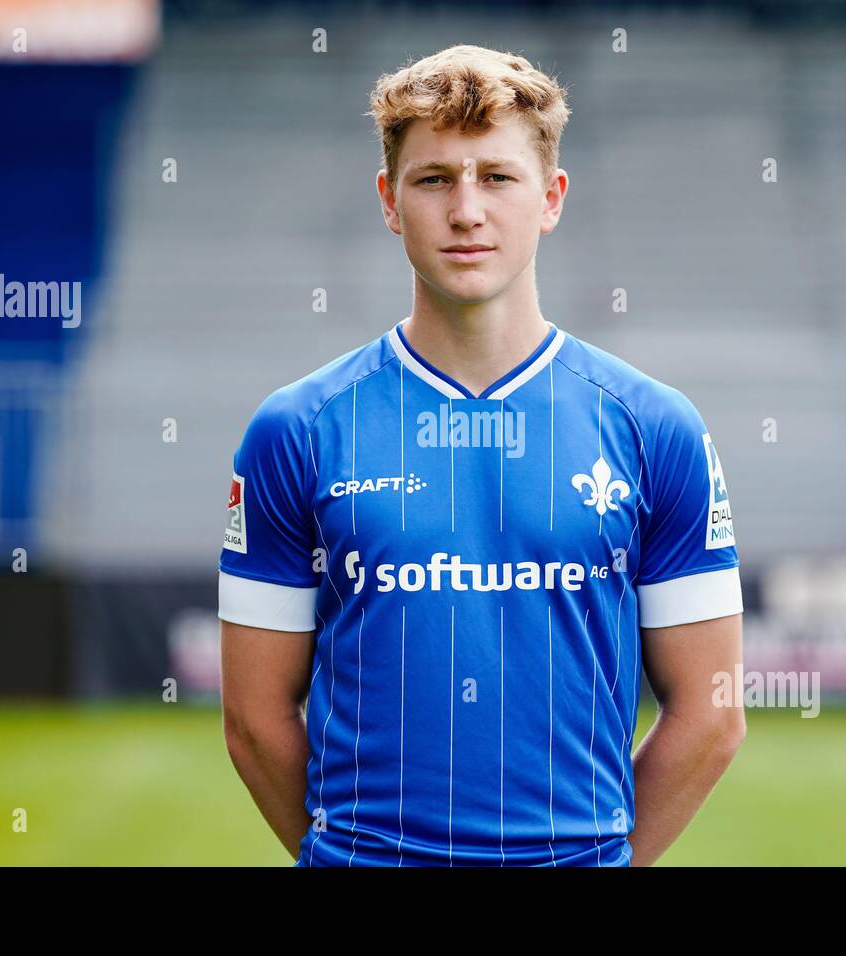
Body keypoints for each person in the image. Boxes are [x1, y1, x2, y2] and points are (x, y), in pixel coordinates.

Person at [219, 44, 744, 867]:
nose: (466, 210)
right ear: (390, 201)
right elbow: (254, 720)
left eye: (497, 177)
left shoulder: (654, 427)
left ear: (551, 198)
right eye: (434, 180)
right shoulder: (297, 428)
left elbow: (711, 715)